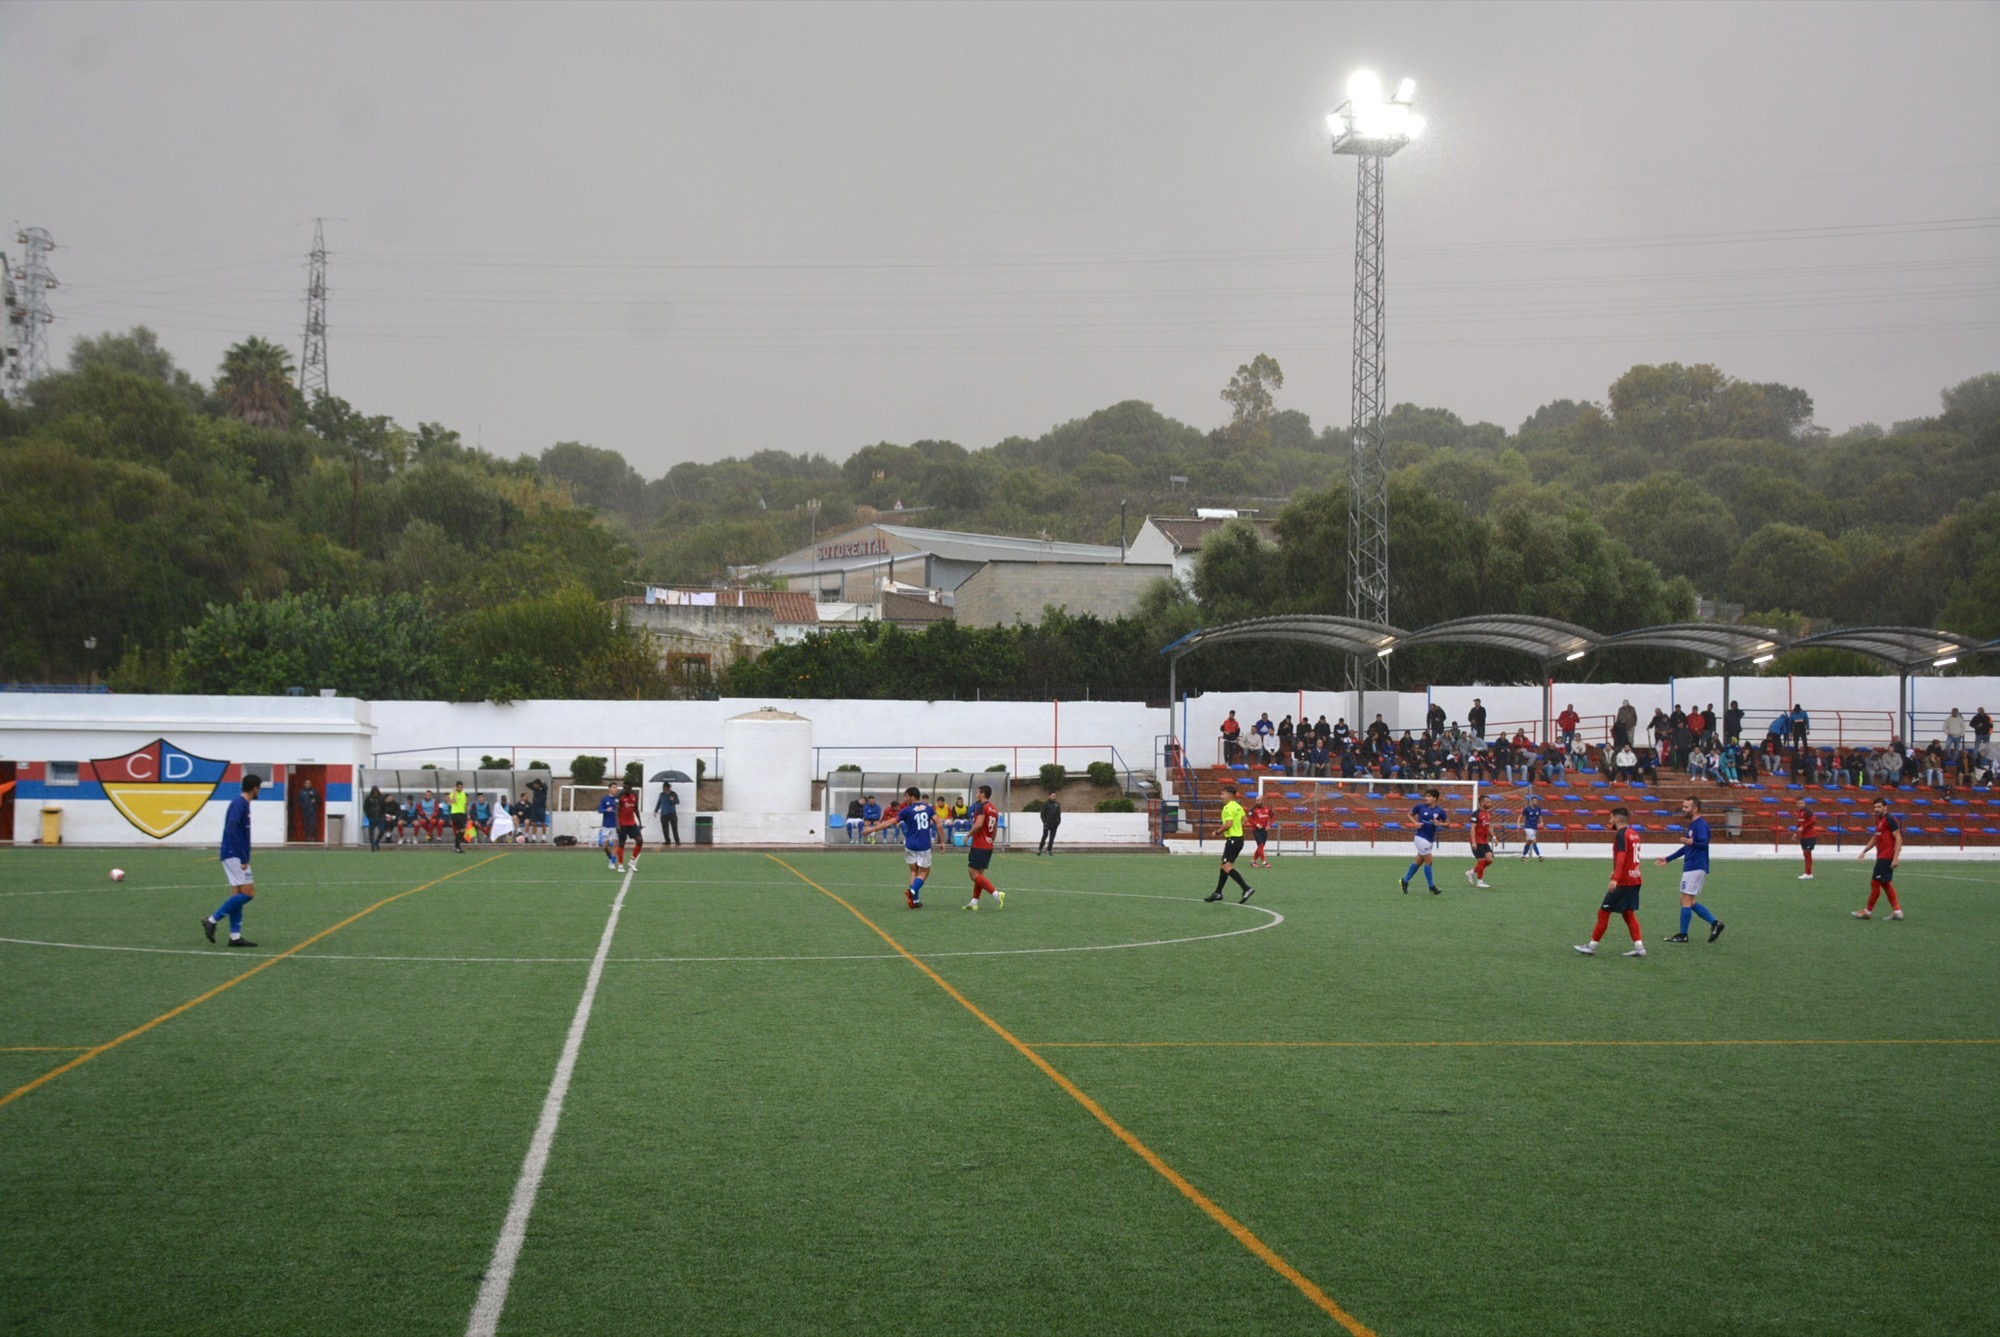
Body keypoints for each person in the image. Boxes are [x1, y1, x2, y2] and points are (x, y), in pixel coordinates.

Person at [202, 774, 264, 948]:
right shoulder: (239, 804)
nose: (259, 791)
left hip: (235, 854)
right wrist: (242, 857)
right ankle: (212, 920)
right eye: (259, 787)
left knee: (238, 894)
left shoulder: (243, 804)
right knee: (248, 893)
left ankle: (235, 937)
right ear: (254, 788)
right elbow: (232, 827)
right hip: (234, 855)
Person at [1575, 806, 1647, 958]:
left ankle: (1592, 946)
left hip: (1624, 881)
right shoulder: (1634, 833)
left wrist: (1616, 877)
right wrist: (1616, 871)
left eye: (1612, 817)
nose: (1610, 820)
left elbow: (1622, 856)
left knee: (1603, 912)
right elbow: (1630, 857)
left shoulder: (1621, 834)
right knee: (1628, 914)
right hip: (1635, 878)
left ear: (1618, 819)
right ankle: (1639, 947)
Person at [1658, 796, 1724, 944]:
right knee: (1691, 902)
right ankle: (1715, 923)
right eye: (1683, 807)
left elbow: (1704, 844)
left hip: (1695, 866)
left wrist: (1691, 842)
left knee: (1685, 900)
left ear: (1695, 809)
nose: (1683, 810)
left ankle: (1683, 935)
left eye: (1686, 807)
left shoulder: (1700, 825)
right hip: (1696, 866)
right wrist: (1668, 858)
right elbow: (1689, 846)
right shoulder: (1694, 825)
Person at [865, 785, 938, 909]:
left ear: (913, 797)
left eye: (906, 796)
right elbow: (939, 824)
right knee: (924, 871)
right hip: (924, 845)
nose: (905, 799)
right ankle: (913, 891)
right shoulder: (928, 809)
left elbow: (888, 823)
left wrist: (872, 829)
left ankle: (915, 900)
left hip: (910, 845)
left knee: (914, 871)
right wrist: (941, 842)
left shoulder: (906, 811)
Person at [1203, 783, 1255, 904]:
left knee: (1227, 866)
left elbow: (1228, 824)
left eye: (1223, 794)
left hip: (1233, 840)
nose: (1221, 796)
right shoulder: (1237, 806)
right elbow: (1245, 820)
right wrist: (1238, 829)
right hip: (1239, 839)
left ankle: (1246, 888)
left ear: (1230, 795)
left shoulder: (1228, 808)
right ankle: (1218, 892)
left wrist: (1217, 832)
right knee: (1224, 866)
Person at [1853, 797, 1904, 920]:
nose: (1876, 809)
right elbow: (1876, 837)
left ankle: (1868, 911)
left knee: (1875, 882)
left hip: (1887, 856)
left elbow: (1898, 838)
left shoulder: (1889, 819)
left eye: (1879, 807)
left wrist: (1896, 857)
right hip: (1882, 856)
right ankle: (1897, 912)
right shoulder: (1879, 820)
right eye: (1875, 807)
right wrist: (1864, 851)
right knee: (1885, 883)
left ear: (1885, 807)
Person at [962, 783, 1005, 911]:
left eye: (978, 792)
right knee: (980, 874)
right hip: (988, 844)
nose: (976, 795)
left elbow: (979, 824)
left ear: (983, 794)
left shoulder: (981, 806)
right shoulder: (994, 809)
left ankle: (996, 893)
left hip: (979, 844)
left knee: (973, 874)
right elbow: (995, 829)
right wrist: (991, 839)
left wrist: (968, 835)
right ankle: (974, 902)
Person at [1401, 788, 1449, 895]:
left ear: (1435, 798)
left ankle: (1405, 881)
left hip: (1429, 839)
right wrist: (1415, 823)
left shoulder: (1440, 811)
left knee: (1419, 861)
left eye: (1429, 796)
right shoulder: (1420, 807)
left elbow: (1448, 824)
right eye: (1426, 796)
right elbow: (1409, 814)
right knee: (1429, 860)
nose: (1426, 798)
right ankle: (1431, 886)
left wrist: (1440, 824)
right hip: (1420, 838)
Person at [1464, 795, 1497, 888]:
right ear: (1481, 802)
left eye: (1490, 802)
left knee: (1489, 860)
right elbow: (1472, 828)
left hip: (1484, 841)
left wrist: (1494, 837)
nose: (1489, 803)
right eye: (1487, 802)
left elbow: (1489, 826)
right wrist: (1473, 842)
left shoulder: (1488, 813)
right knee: (1482, 861)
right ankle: (1480, 882)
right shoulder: (1476, 814)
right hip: (1477, 841)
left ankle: (1471, 872)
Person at [613, 781, 644, 872]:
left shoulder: (635, 796)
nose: (624, 790)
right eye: (623, 788)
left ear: (630, 788)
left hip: (632, 823)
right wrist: (617, 824)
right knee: (622, 843)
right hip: (622, 824)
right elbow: (616, 812)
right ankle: (620, 865)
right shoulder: (620, 797)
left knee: (640, 840)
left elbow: (636, 809)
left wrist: (640, 822)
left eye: (626, 788)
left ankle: (632, 861)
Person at [1248, 794, 1274, 869]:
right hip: (1256, 830)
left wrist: (1270, 825)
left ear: (1263, 800)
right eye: (1256, 800)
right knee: (1261, 845)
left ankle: (1253, 861)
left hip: (1264, 830)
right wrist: (1256, 824)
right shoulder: (1253, 809)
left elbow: (1273, 817)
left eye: (1258, 800)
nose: (1257, 802)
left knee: (1261, 847)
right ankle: (1265, 863)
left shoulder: (1268, 809)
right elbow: (1250, 819)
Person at [1795, 800, 1818, 880]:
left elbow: (1814, 820)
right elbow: (1799, 824)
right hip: (1804, 836)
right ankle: (1808, 873)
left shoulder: (1807, 811)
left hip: (1810, 836)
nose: (1800, 805)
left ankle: (1808, 873)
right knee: (1806, 855)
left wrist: (1803, 827)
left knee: (1808, 855)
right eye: (1798, 803)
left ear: (1804, 804)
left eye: (1801, 803)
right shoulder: (1799, 813)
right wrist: (1795, 833)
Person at [1519, 788, 1544, 861]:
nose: (1535, 802)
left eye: (1536, 801)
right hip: (1528, 827)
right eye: (1533, 801)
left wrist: (1541, 822)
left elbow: (1539, 816)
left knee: (1528, 842)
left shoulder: (1538, 809)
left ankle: (1523, 856)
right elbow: (1521, 815)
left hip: (1534, 827)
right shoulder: (1527, 809)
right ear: (1531, 802)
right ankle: (1540, 856)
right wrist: (1518, 823)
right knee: (1534, 841)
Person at [596, 789, 619, 867]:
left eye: (616, 787)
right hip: (606, 825)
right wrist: (606, 810)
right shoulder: (605, 799)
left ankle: (612, 862)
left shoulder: (618, 799)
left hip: (615, 825)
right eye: (614, 787)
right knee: (605, 846)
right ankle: (611, 858)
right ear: (610, 789)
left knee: (616, 843)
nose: (616, 789)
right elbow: (599, 810)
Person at [448, 780, 471, 854]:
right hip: (455, 813)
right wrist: (454, 792)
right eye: (459, 787)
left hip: (462, 813)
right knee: (462, 830)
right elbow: (453, 801)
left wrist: (468, 814)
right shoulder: (452, 794)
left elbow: (466, 804)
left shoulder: (464, 794)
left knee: (463, 830)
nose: (461, 788)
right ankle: (457, 846)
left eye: (462, 787)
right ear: (456, 787)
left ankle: (457, 844)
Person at [656, 782, 682, 846]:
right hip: (664, 814)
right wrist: (656, 810)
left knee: (674, 828)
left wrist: (672, 800)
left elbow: (678, 802)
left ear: (668, 788)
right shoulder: (661, 794)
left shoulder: (673, 794)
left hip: (672, 814)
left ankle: (677, 841)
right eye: (663, 788)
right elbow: (659, 803)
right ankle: (667, 840)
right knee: (665, 828)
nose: (663, 789)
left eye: (665, 788)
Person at [364, 785, 388, 853]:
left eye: (376, 791)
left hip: (380, 818)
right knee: (371, 833)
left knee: (382, 830)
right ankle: (372, 847)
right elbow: (365, 808)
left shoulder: (381, 798)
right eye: (374, 792)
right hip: (372, 818)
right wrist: (368, 816)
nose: (375, 793)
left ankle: (376, 842)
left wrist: (383, 815)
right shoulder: (368, 798)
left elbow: (384, 807)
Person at [295, 778, 320, 843]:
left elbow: (319, 800)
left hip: (313, 810)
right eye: (306, 783)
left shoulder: (314, 791)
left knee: (314, 824)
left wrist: (315, 801)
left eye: (309, 783)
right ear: (304, 784)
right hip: (306, 811)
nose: (308, 784)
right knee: (307, 825)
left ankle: (314, 837)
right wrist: (303, 806)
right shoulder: (302, 792)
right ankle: (307, 838)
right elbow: (299, 801)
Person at [527, 775, 550, 844]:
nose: (534, 786)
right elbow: (527, 785)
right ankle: (533, 838)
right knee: (534, 823)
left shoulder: (543, 789)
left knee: (543, 823)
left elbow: (546, 787)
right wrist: (533, 782)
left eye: (536, 784)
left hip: (541, 809)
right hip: (535, 808)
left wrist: (542, 783)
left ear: (539, 784)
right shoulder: (535, 789)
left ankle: (543, 838)